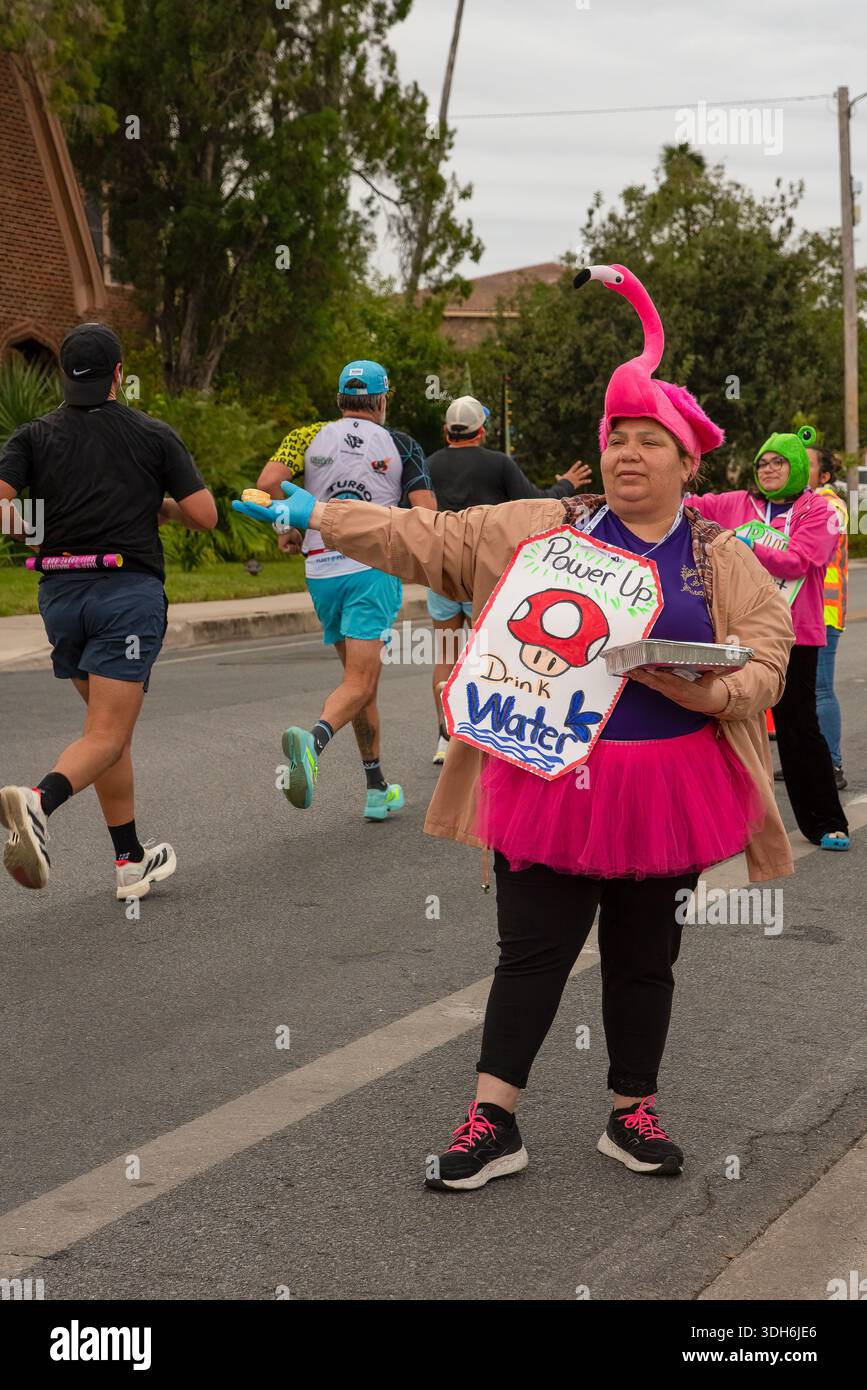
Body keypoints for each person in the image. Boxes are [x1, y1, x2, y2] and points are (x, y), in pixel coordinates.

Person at [235, 264, 795, 1187]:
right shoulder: (545, 526)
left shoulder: (719, 557)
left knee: (643, 956)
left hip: (669, 786)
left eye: (650, 441)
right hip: (551, 777)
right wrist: (321, 514)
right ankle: (493, 1122)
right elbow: (434, 543)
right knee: (530, 951)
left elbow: (767, 657)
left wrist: (716, 694)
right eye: (616, 438)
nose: (626, 455)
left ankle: (632, 1112)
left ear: (688, 464)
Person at [0, 322, 217, 897]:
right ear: (119, 373)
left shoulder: (32, 437)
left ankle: (130, 863)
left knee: (107, 734)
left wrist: (29, 531)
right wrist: (163, 507)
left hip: (61, 597)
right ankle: (37, 800)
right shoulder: (151, 434)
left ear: (63, 375)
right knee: (106, 733)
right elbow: (206, 515)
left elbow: (0, 507)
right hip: (125, 595)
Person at [251, 359, 436, 820]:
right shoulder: (402, 444)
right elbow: (426, 511)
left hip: (321, 570)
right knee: (361, 681)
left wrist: (288, 527)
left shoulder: (306, 436)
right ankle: (312, 742)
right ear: (382, 400)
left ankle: (376, 788)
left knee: (360, 682)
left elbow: (269, 483)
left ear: (339, 401)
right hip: (372, 568)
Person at [688, 426, 849, 850]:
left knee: (799, 727)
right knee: (727, 720)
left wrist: (746, 545)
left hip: (798, 633)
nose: (769, 469)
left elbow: (801, 560)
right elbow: (688, 505)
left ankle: (826, 821)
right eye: (763, 462)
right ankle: (727, 826)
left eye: (779, 461)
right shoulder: (738, 503)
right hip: (740, 630)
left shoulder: (821, 508)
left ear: (797, 466)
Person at [425, 395, 592, 764]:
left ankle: (443, 738)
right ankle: (485, 737)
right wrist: (565, 485)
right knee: (491, 654)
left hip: (441, 570)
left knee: (447, 654)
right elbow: (536, 504)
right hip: (485, 572)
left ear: (446, 431)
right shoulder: (498, 463)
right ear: (481, 431)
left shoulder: (429, 464)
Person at [808, 447, 848, 789]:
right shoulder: (806, 502)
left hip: (825, 611)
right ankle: (812, 758)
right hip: (807, 611)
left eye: (804, 464)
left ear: (824, 476)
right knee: (805, 692)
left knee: (821, 691)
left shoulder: (829, 504)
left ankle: (833, 764)